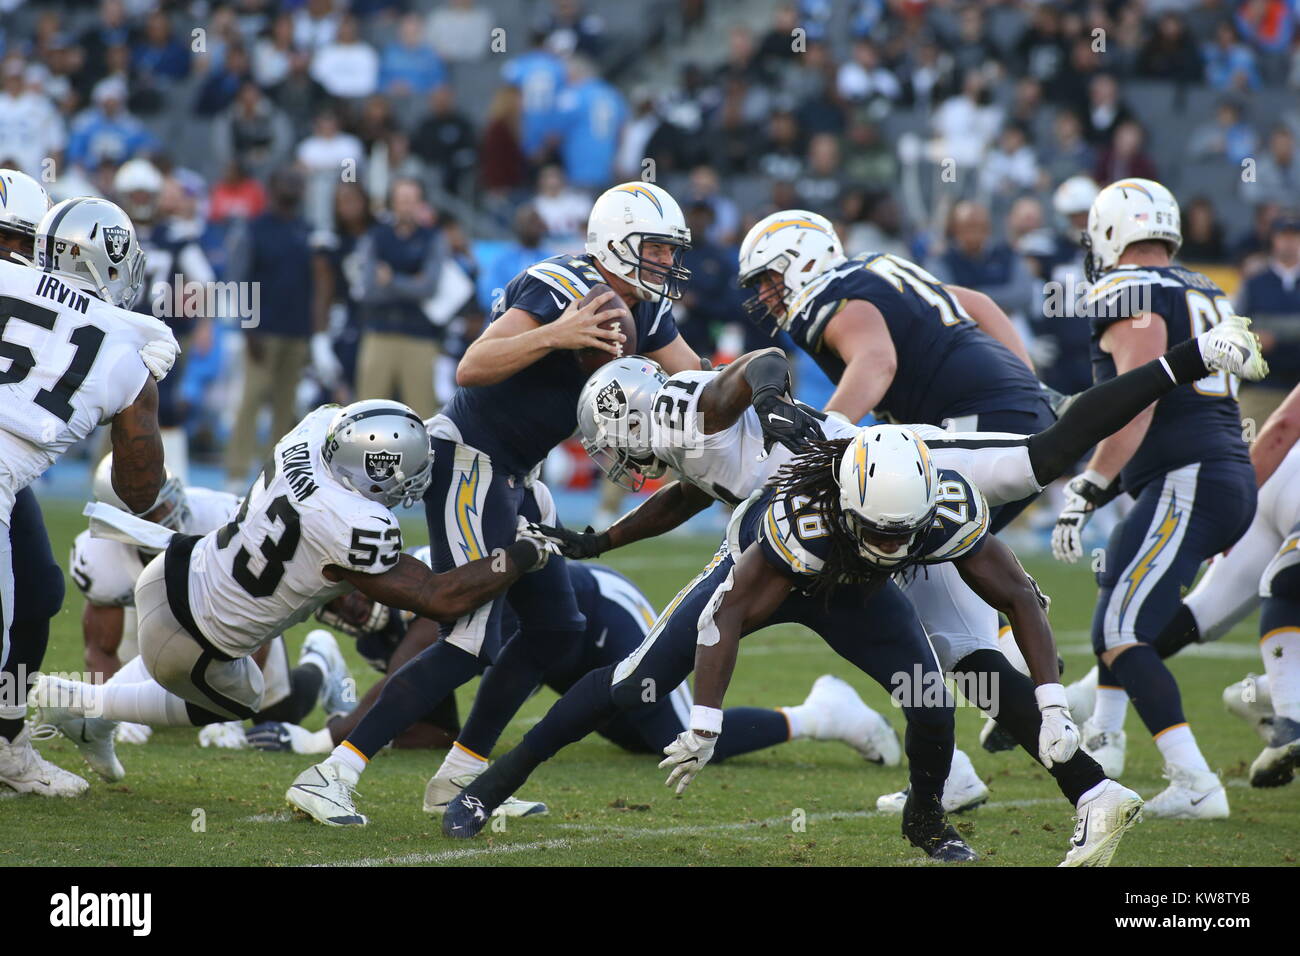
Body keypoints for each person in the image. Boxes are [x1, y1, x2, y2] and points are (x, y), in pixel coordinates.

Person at [446, 426, 1146, 866]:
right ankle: (492, 784)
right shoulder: (801, 520)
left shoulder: (941, 505)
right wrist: (706, 720)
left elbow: (1020, 595)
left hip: (857, 598)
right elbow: (726, 612)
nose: (893, 547)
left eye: (903, 536)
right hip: (773, 577)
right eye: (879, 531)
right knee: (635, 684)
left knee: (932, 704)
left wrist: (1052, 704)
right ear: (848, 504)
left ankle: (926, 822)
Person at [285, 181, 705, 824]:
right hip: (471, 462)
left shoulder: (643, 310)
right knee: (474, 634)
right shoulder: (560, 285)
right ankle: (333, 771)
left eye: (670, 251)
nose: (667, 264)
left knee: (557, 628)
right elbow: (472, 366)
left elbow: (694, 380)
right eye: (655, 248)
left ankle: (459, 775)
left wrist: (753, 407)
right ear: (617, 243)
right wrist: (557, 335)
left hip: (520, 475)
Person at [32, 399, 559, 802]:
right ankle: (84, 703)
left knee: (181, 661)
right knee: (239, 697)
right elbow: (438, 598)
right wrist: (520, 554)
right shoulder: (359, 524)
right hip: (198, 641)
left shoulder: (310, 431)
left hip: (172, 570)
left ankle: (92, 722)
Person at [1051, 178, 1269, 819]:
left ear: (1111, 232)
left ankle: (1196, 783)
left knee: (1123, 629)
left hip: (1190, 478)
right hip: (1216, 474)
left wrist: (1088, 484)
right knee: (1116, 586)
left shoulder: (1127, 289)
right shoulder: (1204, 288)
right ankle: (1108, 742)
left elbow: (1140, 396)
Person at [0, 191, 178, 796]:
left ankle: (5, 747)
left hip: (8, 483)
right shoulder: (128, 351)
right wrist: (142, 384)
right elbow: (139, 487)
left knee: (37, 593)